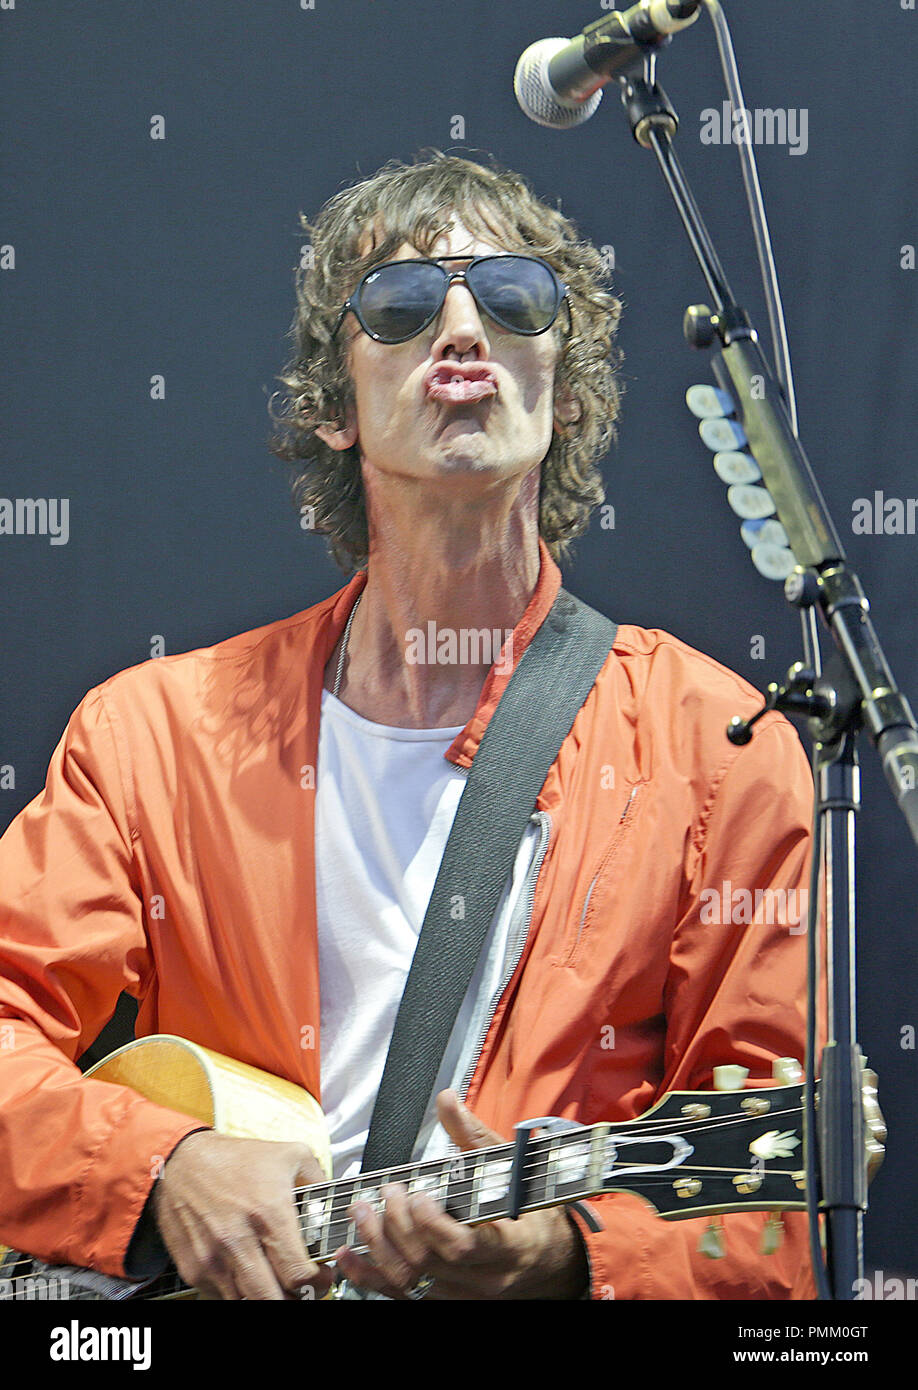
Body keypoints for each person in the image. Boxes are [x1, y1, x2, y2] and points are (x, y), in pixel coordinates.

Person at [0, 151, 819, 1300]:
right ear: (336, 409)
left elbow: (771, 1217)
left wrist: (561, 1256)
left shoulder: (723, 746)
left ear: (566, 385)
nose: (462, 328)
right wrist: (163, 1165)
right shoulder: (151, 734)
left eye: (515, 297)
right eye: (400, 306)